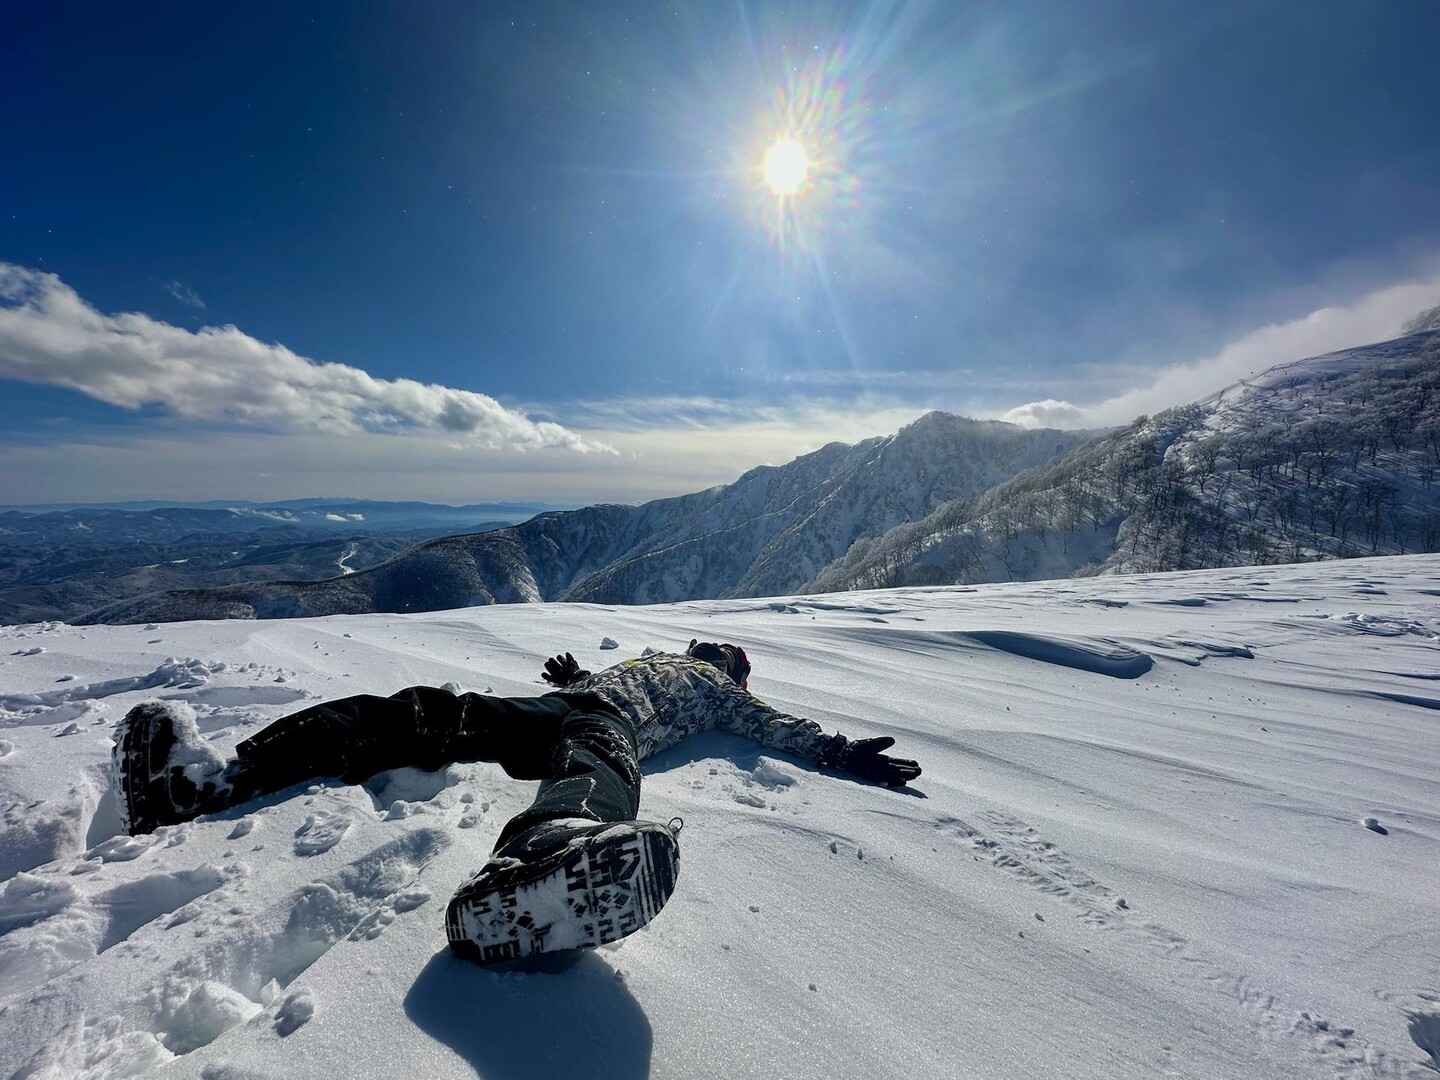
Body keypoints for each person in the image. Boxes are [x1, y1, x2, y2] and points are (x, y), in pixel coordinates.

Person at [110, 640, 922, 966]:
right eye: (722, 661)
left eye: (721, 661)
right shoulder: (692, 675)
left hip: (570, 715)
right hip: (589, 716)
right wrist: (831, 748)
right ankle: (543, 851)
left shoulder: (704, 683)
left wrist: (832, 748)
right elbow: (768, 721)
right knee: (595, 760)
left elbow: (768, 723)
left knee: (430, 715)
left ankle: (206, 786)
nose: (716, 664)